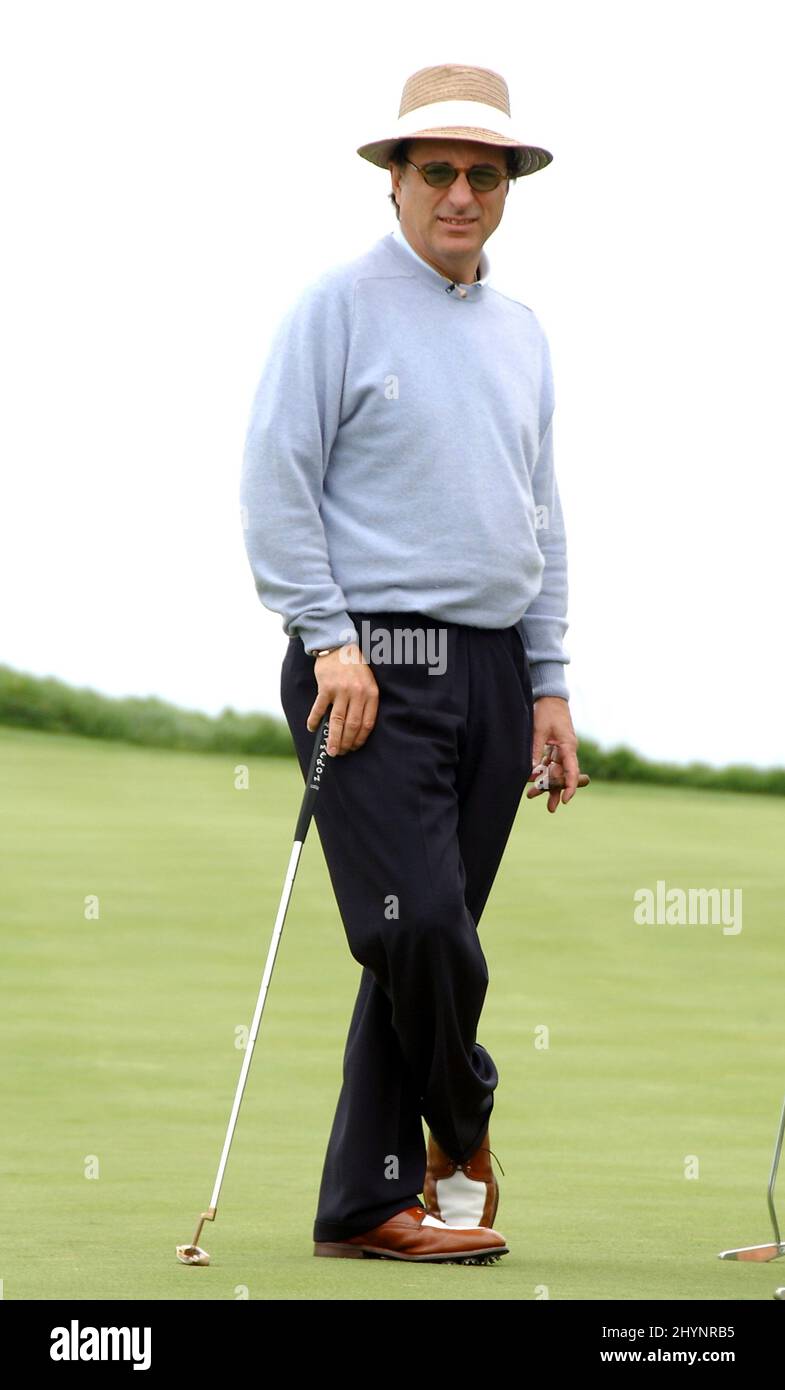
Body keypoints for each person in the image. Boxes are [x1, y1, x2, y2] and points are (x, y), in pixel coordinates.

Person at [239, 62, 583, 1264]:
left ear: (505, 189)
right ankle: (465, 1120)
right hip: (367, 666)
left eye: (481, 174)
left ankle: (364, 1208)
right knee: (417, 926)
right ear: (394, 178)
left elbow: (539, 519)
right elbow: (274, 484)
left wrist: (547, 684)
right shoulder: (334, 307)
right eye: (435, 170)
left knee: (418, 945)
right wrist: (328, 638)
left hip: (493, 671)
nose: (458, 193)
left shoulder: (522, 332)